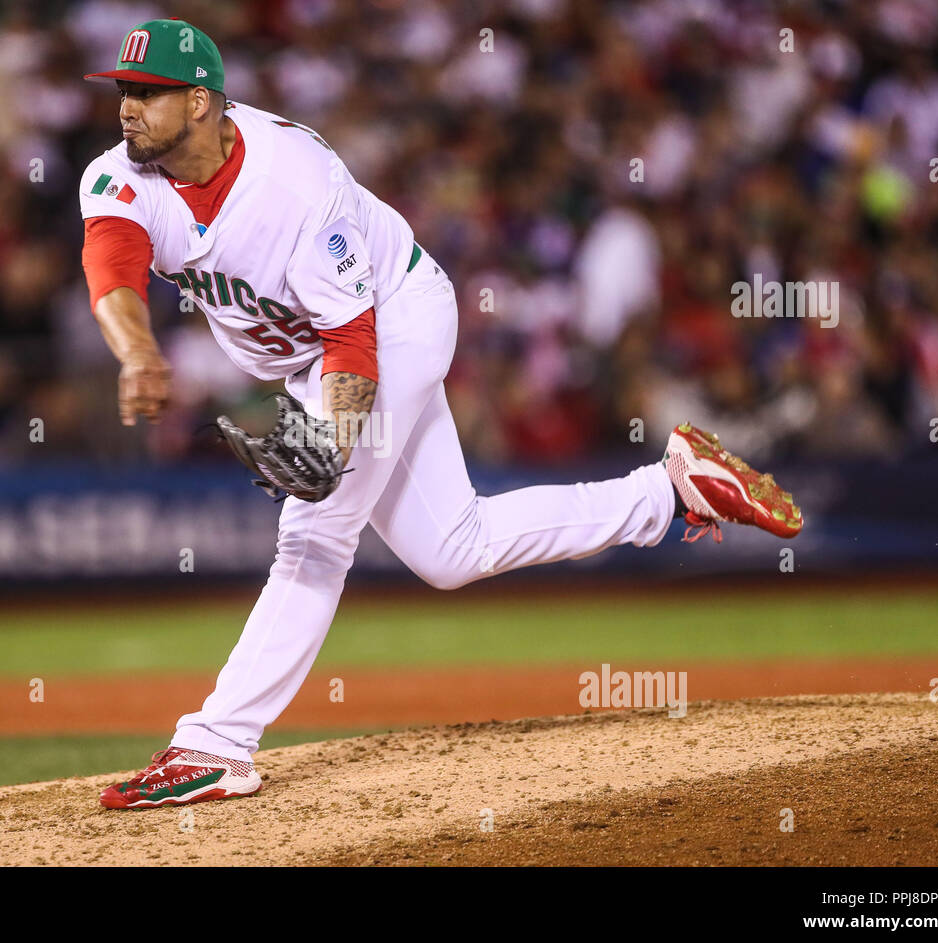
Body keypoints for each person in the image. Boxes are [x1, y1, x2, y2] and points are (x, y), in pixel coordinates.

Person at [78, 19, 801, 809]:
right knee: (452, 549)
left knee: (316, 530)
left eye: (147, 94)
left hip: (394, 320)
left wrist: (335, 437)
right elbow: (112, 270)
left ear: (203, 101)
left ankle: (215, 745)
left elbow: (353, 339)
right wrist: (140, 356)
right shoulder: (119, 176)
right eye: (124, 91)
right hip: (314, 358)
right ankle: (671, 490)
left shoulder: (293, 181)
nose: (127, 108)